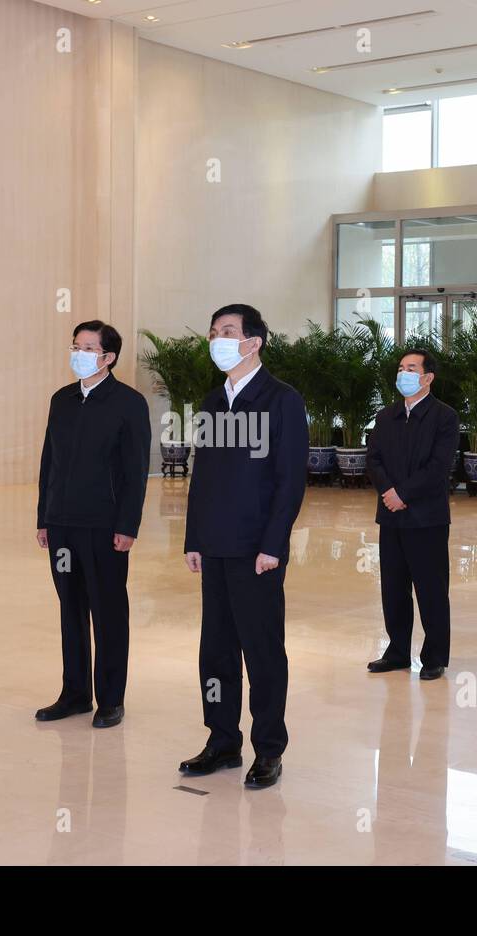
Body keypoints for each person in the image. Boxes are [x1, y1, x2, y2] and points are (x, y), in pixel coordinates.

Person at [178, 304, 308, 789]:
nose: (218, 339)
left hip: (258, 551)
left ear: (254, 342)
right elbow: (203, 477)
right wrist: (194, 536)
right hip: (214, 545)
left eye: (228, 332)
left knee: (262, 651)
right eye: (214, 332)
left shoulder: (282, 400)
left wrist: (273, 544)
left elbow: (289, 480)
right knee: (216, 650)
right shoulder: (213, 401)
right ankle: (221, 739)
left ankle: (269, 748)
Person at [35, 320, 151, 729]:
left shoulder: (128, 403)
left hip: (104, 527)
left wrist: (128, 525)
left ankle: (111, 698)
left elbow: (135, 471)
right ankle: (75, 693)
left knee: (108, 611)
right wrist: (43, 517)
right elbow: (50, 461)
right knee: (71, 608)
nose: (78, 353)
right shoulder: (61, 400)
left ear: (108, 357)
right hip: (62, 524)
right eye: (75, 345)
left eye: (87, 348)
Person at [364, 348, 459, 679]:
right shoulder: (385, 416)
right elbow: (373, 458)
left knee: (431, 588)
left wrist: (404, 493)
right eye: (401, 367)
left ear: (427, 377)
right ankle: (397, 651)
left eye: (411, 368)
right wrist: (389, 492)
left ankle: (434, 655)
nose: (403, 373)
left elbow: (438, 467)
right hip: (390, 515)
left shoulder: (444, 418)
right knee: (393, 587)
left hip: (427, 517)